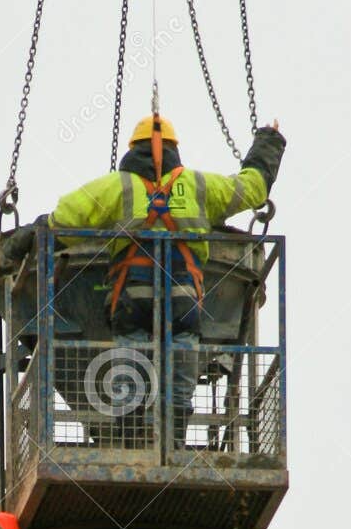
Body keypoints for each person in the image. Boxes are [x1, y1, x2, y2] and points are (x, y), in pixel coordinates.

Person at [15, 114, 286, 443]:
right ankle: (172, 442)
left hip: (132, 298)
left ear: (132, 150)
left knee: (131, 361)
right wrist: (268, 142)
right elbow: (253, 188)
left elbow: (66, 220)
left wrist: (35, 232)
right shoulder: (201, 186)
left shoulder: (117, 187)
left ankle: (131, 434)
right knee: (182, 364)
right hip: (184, 299)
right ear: (175, 150)